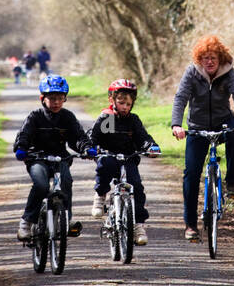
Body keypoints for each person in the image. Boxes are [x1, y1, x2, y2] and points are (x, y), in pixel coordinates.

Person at [171, 34, 234, 241]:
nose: (209, 61)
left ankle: (232, 179)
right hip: (197, 128)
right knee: (191, 174)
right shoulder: (192, 72)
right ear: (200, 59)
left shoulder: (228, 72)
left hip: (223, 123)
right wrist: (177, 124)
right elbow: (181, 97)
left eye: (213, 57)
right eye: (205, 57)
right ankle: (190, 225)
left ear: (220, 58)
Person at [13, 74, 87, 241]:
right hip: (37, 159)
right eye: (52, 98)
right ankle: (26, 222)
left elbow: (78, 137)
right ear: (42, 98)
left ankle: (66, 220)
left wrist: (87, 148)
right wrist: (21, 148)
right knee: (41, 185)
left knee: (66, 182)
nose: (56, 102)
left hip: (60, 159)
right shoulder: (35, 116)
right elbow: (24, 135)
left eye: (60, 98)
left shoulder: (67, 117)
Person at [86, 78, 154, 246]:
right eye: (121, 102)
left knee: (136, 186)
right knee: (105, 166)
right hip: (109, 156)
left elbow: (143, 138)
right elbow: (94, 136)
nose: (125, 107)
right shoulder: (108, 118)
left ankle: (138, 225)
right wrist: (92, 147)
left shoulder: (133, 120)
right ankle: (100, 195)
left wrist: (151, 147)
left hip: (129, 158)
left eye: (128, 104)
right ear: (112, 100)